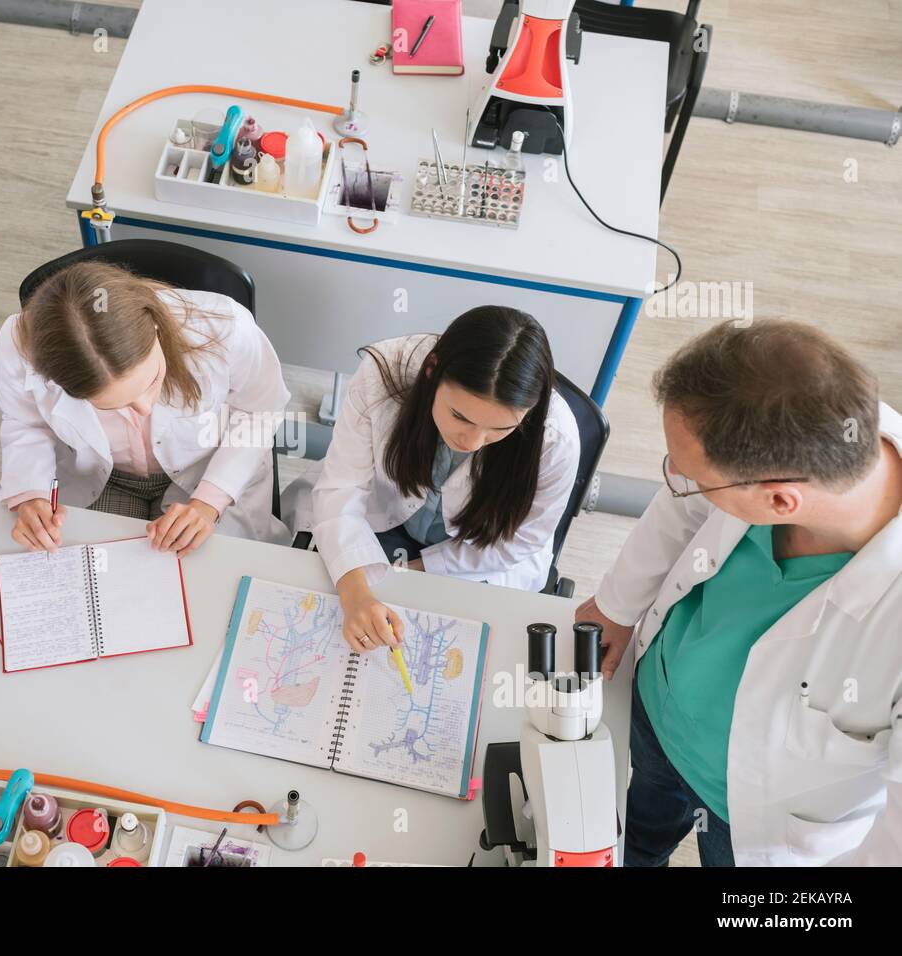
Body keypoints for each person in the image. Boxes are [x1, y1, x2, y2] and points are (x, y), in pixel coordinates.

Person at [576, 319, 902, 866]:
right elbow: (678, 510)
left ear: (780, 503)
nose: (676, 483)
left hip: (757, 824)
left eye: (693, 478)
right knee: (635, 841)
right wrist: (618, 606)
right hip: (656, 719)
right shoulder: (811, 436)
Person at [285, 305, 579, 654]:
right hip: (377, 518)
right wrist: (354, 591)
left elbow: (517, 544)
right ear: (431, 372)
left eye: (501, 429)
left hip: (477, 558)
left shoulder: (556, 439)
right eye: (460, 416)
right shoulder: (386, 373)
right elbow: (342, 488)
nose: (471, 442)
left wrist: (414, 571)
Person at [0, 260, 290, 556]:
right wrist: (31, 494)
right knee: (96, 571)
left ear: (156, 328)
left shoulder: (225, 326)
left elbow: (260, 412)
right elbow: (26, 421)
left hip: (206, 470)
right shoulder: (18, 344)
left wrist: (209, 502)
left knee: (206, 578)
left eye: (152, 383)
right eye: (113, 406)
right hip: (106, 479)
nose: (145, 409)